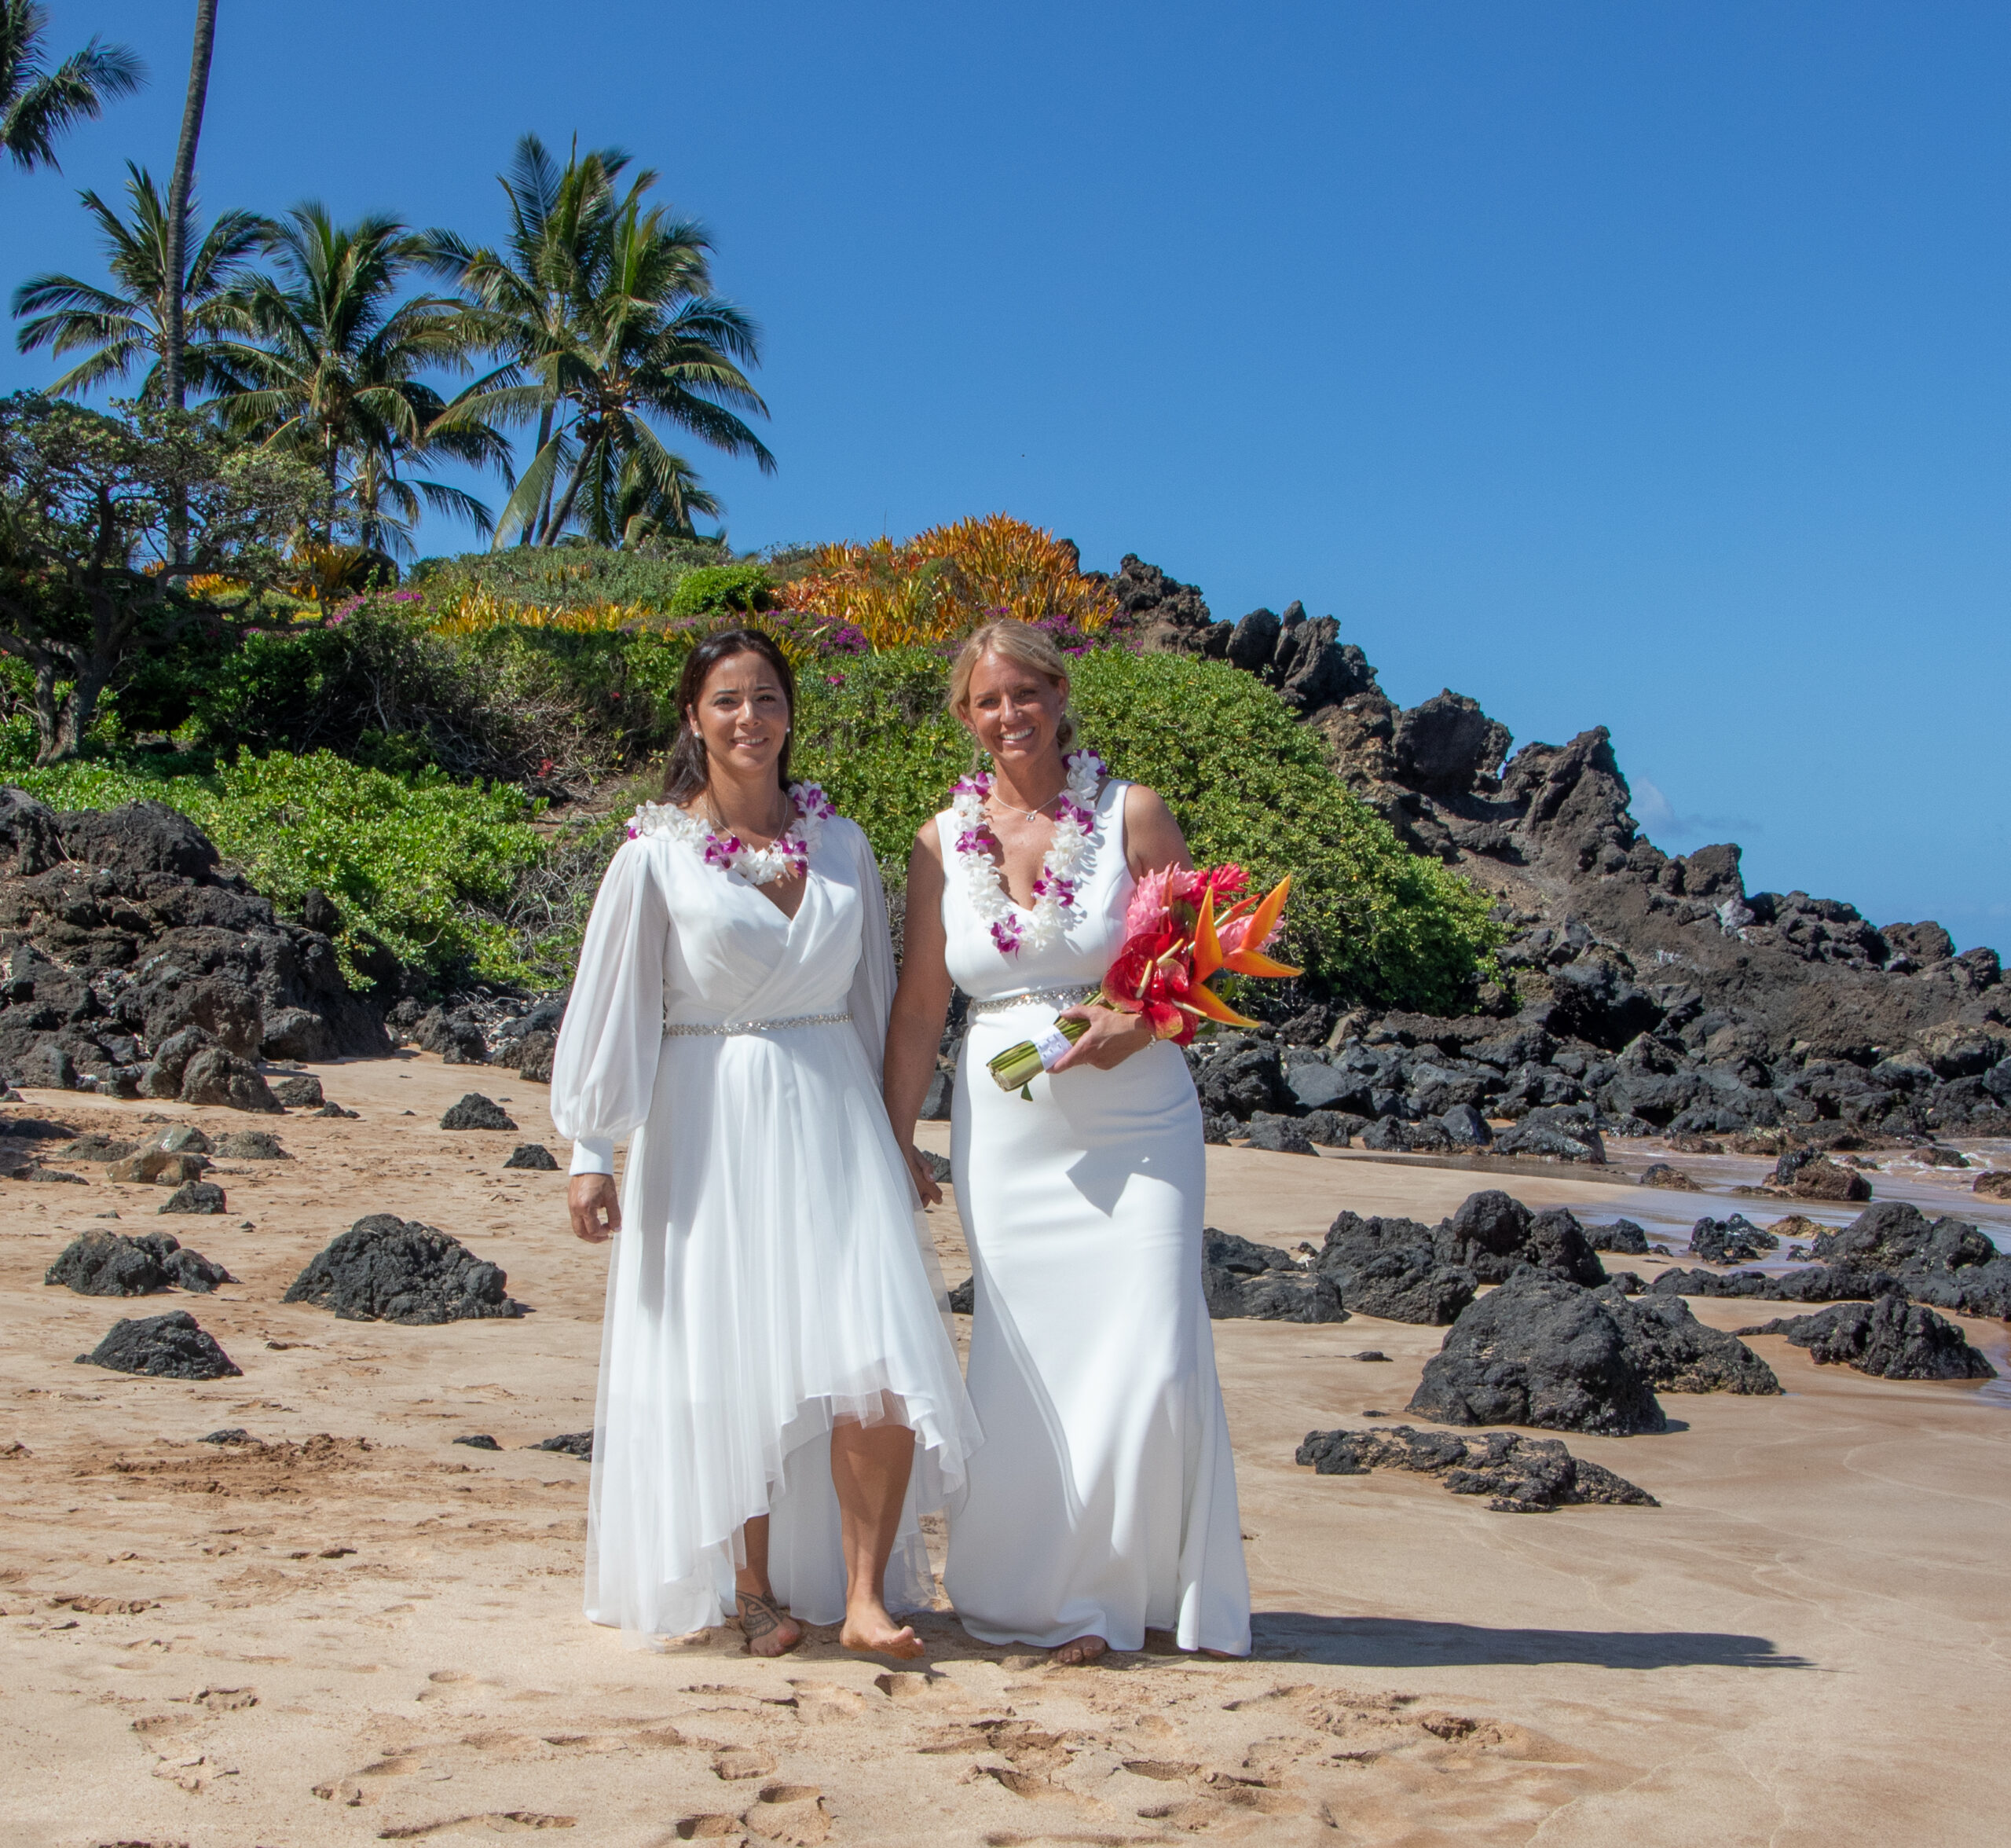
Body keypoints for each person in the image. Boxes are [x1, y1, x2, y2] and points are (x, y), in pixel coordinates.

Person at [551, 626, 976, 1659]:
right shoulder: (653, 857)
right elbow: (613, 1008)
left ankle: (865, 1597)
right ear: (694, 719)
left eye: (769, 698)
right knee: (725, 1355)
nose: (751, 718)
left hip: (834, 1117)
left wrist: (897, 1134)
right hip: (708, 1122)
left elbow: (876, 1002)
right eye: (728, 701)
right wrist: (593, 1150)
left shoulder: (843, 844)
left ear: (791, 713)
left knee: (875, 1351)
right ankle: (749, 1588)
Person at [882, 618, 1251, 1665]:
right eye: (988, 700)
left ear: (1058, 695)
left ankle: (1122, 1593)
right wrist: (896, 1133)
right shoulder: (939, 842)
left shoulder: (1133, 811)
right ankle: (1040, 1594)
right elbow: (921, 1005)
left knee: (1150, 1354)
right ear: (966, 716)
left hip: (1139, 1124)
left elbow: (1196, 966)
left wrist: (1139, 1023)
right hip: (1007, 1136)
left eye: (1026, 693)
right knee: (1028, 1360)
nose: (1011, 714)